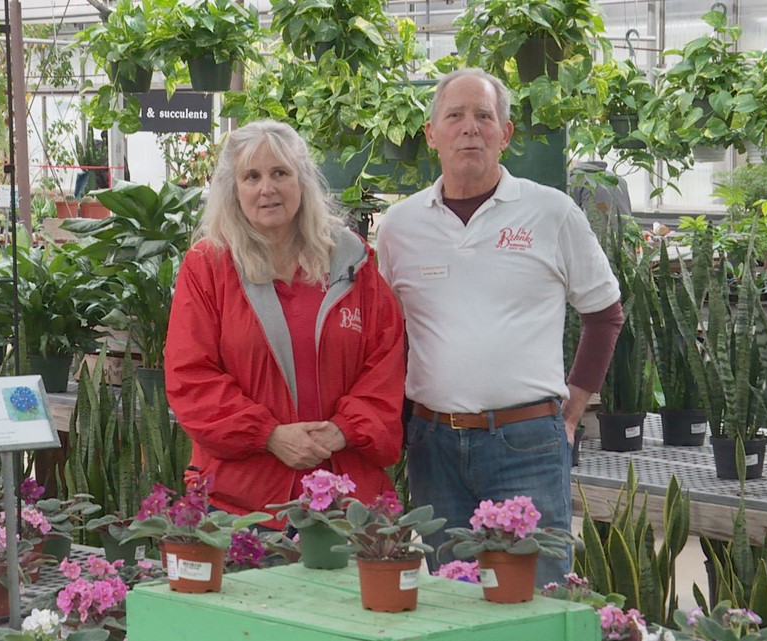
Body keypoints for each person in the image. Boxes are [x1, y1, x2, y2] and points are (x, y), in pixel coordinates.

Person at [376, 68, 623, 585]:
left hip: (527, 442)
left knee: (536, 595)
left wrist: (573, 411)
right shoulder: (399, 226)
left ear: (505, 134)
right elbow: (384, 336)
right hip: (432, 445)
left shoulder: (550, 212)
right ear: (431, 134)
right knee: (452, 596)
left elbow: (604, 314)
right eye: (455, 116)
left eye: (484, 116)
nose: (470, 128)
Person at [164, 119, 406, 523]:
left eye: (280, 173)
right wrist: (269, 436)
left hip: (348, 498)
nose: (267, 189)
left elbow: (387, 362)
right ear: (233, 189)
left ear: (303, 181)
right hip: (244, 503)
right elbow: (191, 376)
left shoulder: (351, 260)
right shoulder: (208, 267)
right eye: (252, 176)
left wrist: (343, 429)